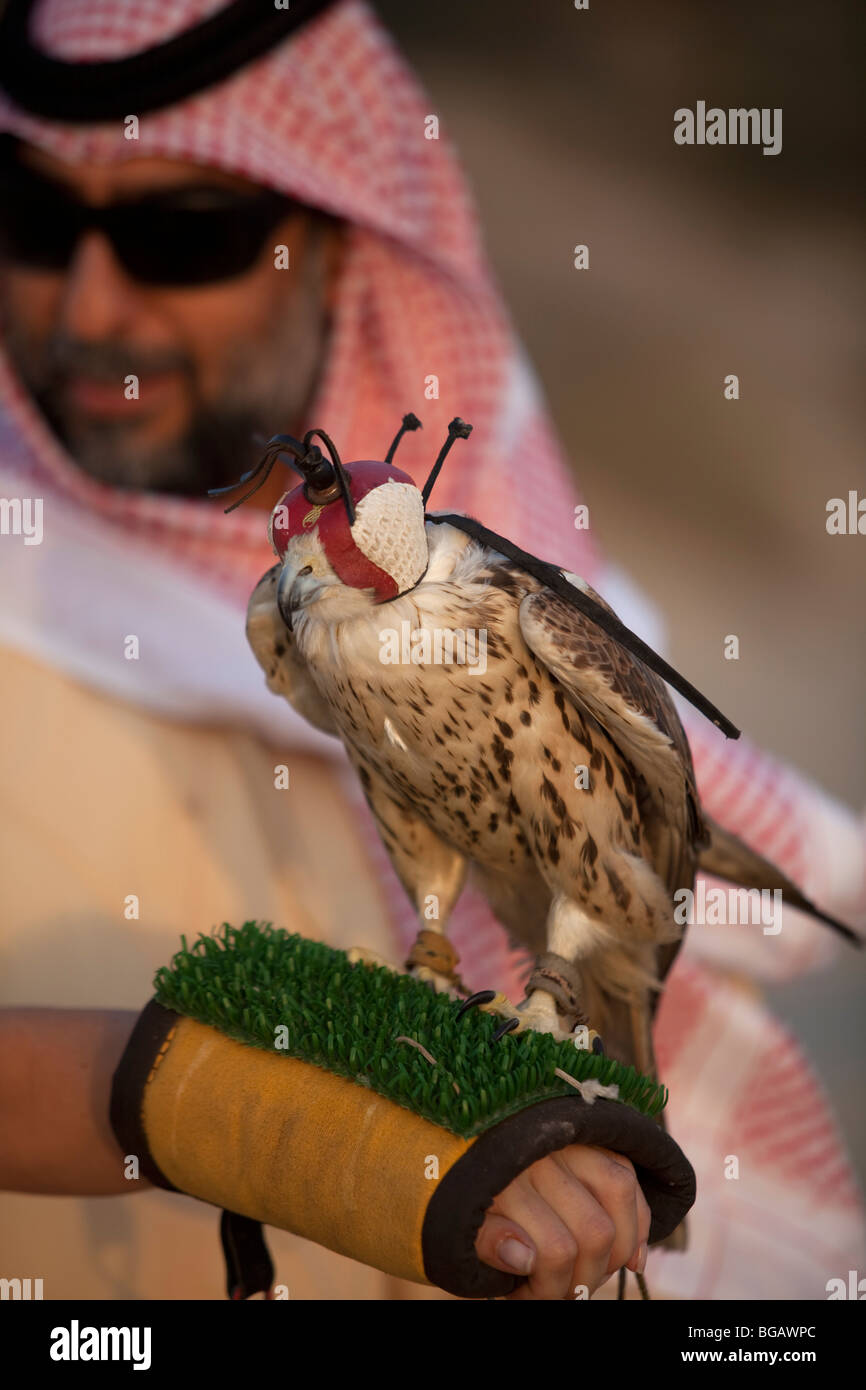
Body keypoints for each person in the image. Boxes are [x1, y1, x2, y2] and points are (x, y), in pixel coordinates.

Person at [0, 0, 862, 1301]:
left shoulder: (504, 611)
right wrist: (168, 1095)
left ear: (340, 249)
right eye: (33, 218)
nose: (91, 304)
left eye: (189, 235)